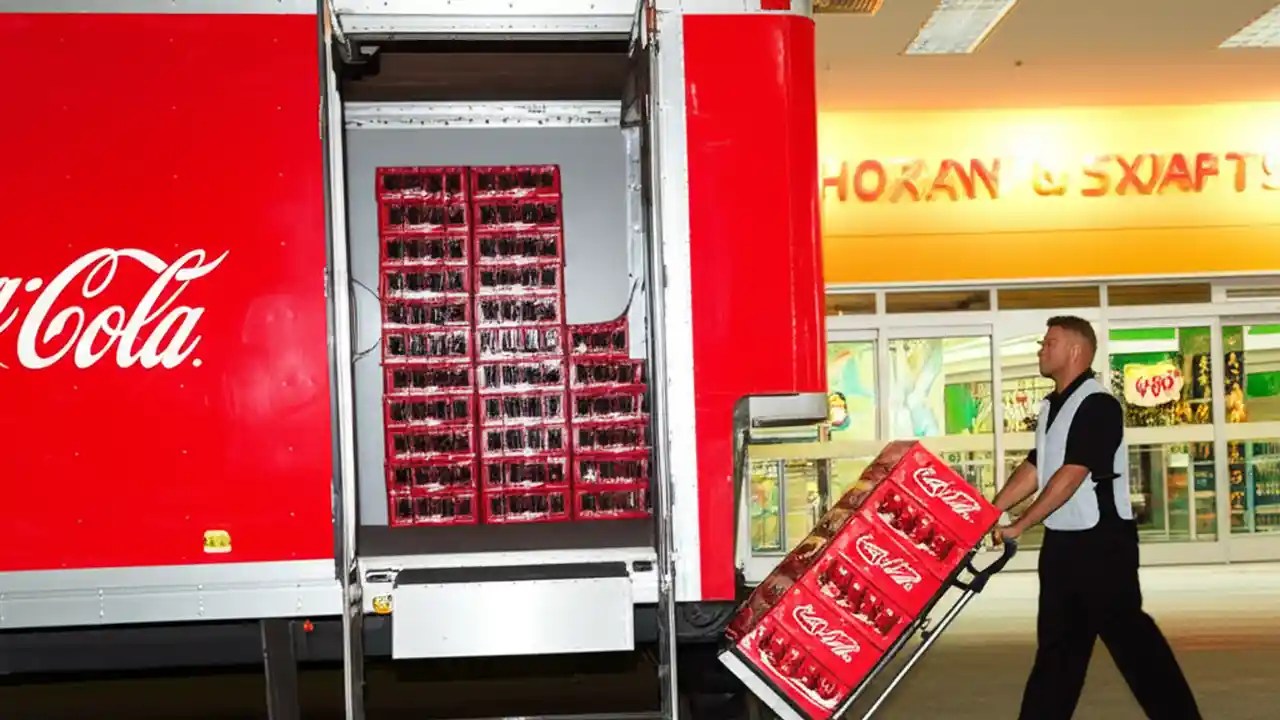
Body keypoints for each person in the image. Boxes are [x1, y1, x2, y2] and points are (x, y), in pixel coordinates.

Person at [992, 315, 1202, 720]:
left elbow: (1072, 474)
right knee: (1057, 654)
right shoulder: (1052, 406)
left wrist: (1020, 524)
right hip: (1063, 546)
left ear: (1074, 351)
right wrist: (992, 509)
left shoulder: (1099, 405)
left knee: (1134, 646)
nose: (1041, 349)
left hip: (1102, 546)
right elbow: (1038, 466)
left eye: (1048, 343)